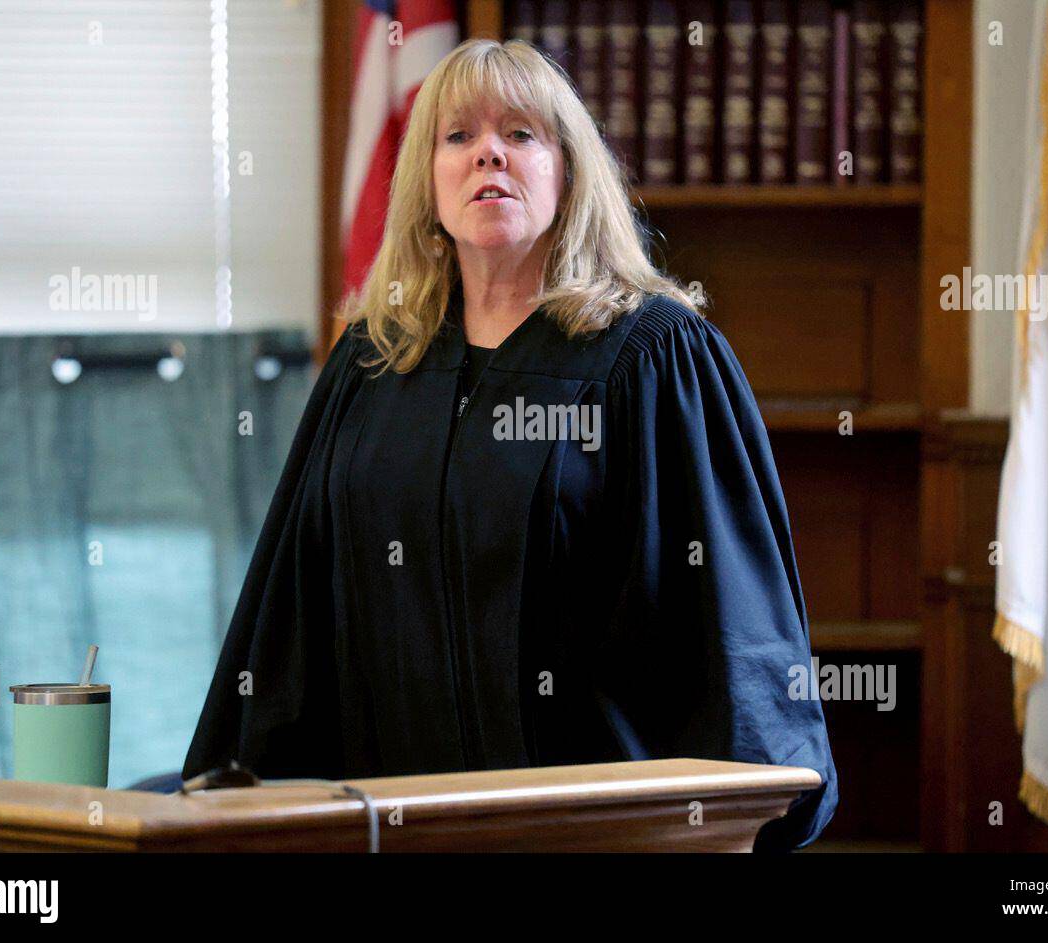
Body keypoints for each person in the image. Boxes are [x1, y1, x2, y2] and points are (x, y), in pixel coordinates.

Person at [183, 38, 837, 851]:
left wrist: (739, 819)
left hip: (599, 843)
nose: (488, 151)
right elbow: (290, 616)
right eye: (457, 136)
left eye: (521, 133)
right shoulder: (374, 360)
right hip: (392, 830)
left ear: (568, 172)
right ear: (427, 179)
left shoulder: (653, 356)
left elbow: (732, 629)